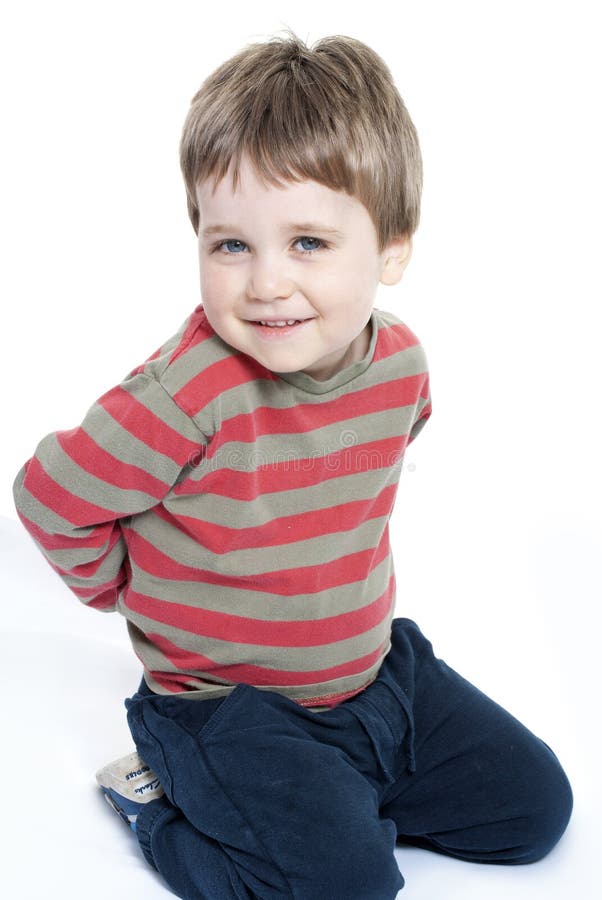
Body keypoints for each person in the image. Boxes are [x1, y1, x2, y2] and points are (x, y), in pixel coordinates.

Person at [13, 32, 572, 900]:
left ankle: (337, 796)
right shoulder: (186, 394)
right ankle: (160, 809)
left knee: (533, 813)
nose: (266, 282)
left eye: (308, 242)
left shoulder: (404, 367)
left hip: (376, 676)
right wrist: (122, 584)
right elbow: (52, 497)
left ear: (391, 249)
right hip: (225, 711)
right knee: (351, 887)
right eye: (231, 245)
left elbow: (360, 467)